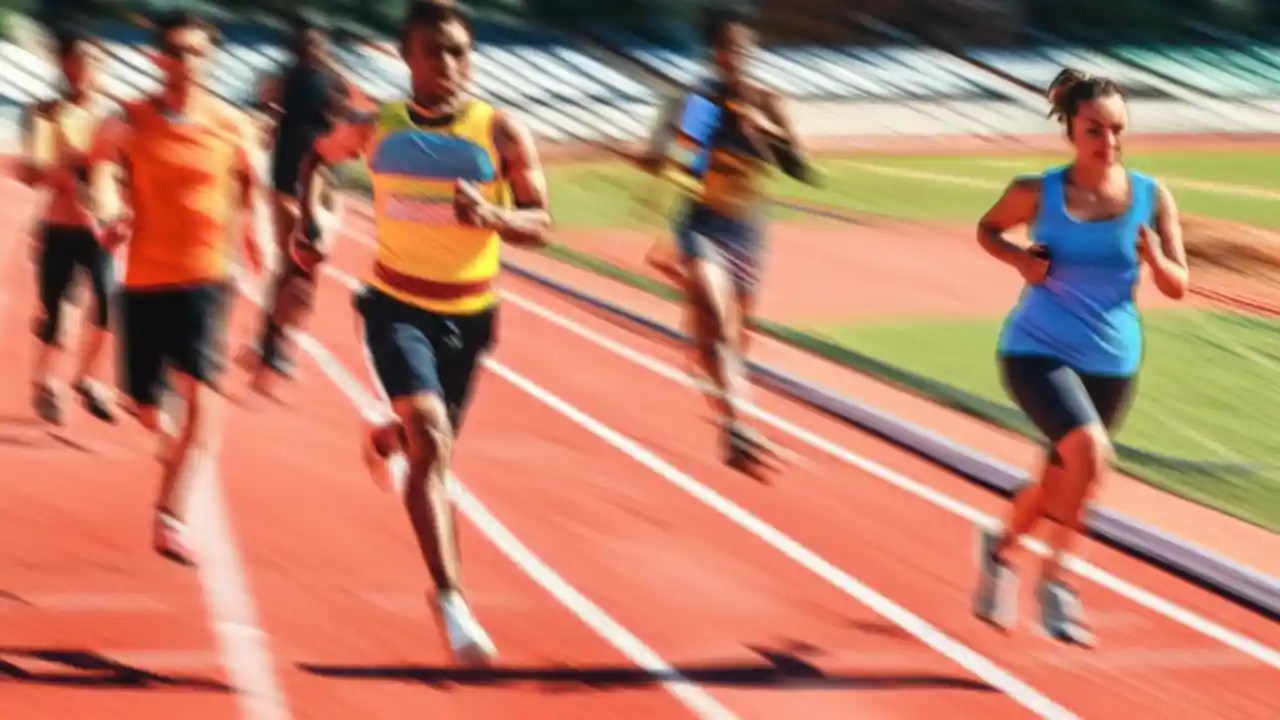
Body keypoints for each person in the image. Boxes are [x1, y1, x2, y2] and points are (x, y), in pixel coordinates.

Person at [291, 1, 551, 665]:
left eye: (460, 51)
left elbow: (540, 221)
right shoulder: (374, 127)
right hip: (396, 308)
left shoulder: (500, 131)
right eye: (435, 51)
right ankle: (451, 600)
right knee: (432, 438)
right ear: (407, 57)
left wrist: (492, 216)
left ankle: (384, 436)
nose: (450, 64)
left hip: (472, 316)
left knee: (429, 449)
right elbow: (316, 159)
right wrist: (308, 225)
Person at [972, 69, 1189, 645]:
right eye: (1095, 129)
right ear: (1071, 130)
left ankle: (999, 548)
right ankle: (1058, 581)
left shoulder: (1152, 196)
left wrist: (1154, 258)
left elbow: (1178, 284)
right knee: (1091, 453)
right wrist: (1020, 260)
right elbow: (988, 229)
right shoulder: (1036, 191)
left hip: (1112, 361)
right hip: (1037, 349)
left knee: (1060, 483)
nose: (1108, 141)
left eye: (1117, 130)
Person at [87, 11, 264, 566]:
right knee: (142, 406)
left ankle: (171, 515)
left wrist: (257, 236)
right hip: (145, 280)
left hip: (207, 277)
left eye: (198, 52)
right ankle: (167, 438)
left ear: (210, 59)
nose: (188, 62)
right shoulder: (128, 120)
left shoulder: (232, 124)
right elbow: (100, 170)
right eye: (179, 52)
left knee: (204, 399)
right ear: (158, 58)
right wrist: (109, 212)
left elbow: (254, 184)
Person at [639, 8, 813, 470]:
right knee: (716, 318)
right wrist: (665, 154)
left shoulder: (768, 101)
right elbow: (683, 165)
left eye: (743, 49)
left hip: (746, 233)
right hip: (703, 224)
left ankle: (722, 400)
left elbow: (800, 168)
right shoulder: (700, 103)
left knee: (733, 340)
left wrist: (767, 130)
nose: (736, 57)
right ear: (714, 53)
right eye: (727, 49)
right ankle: (738, 425)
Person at [245, 14, 347, 391]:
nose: (313, 49)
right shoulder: (286, 78)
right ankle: (272, 343)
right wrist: (271, 117)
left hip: (321, 183)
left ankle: (273, 339)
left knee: (305, 271)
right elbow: (263, 104)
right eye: (307, 44)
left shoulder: (331, 80)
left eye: (318, 43)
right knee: (293, 264)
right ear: (296, 47)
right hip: (288, 181)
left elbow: (344, 118)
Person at [20, 28, 117, 425]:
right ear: (63, 65)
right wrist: (65, 170)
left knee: (109, 306)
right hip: (61, 227)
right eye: (76, 61)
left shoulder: (114, 117)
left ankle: (88, 378)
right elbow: (35, 174)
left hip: (104, 227)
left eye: (92, 62)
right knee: (55, 313)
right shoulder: (47, 113)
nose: (83, 70)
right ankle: (46, 381)